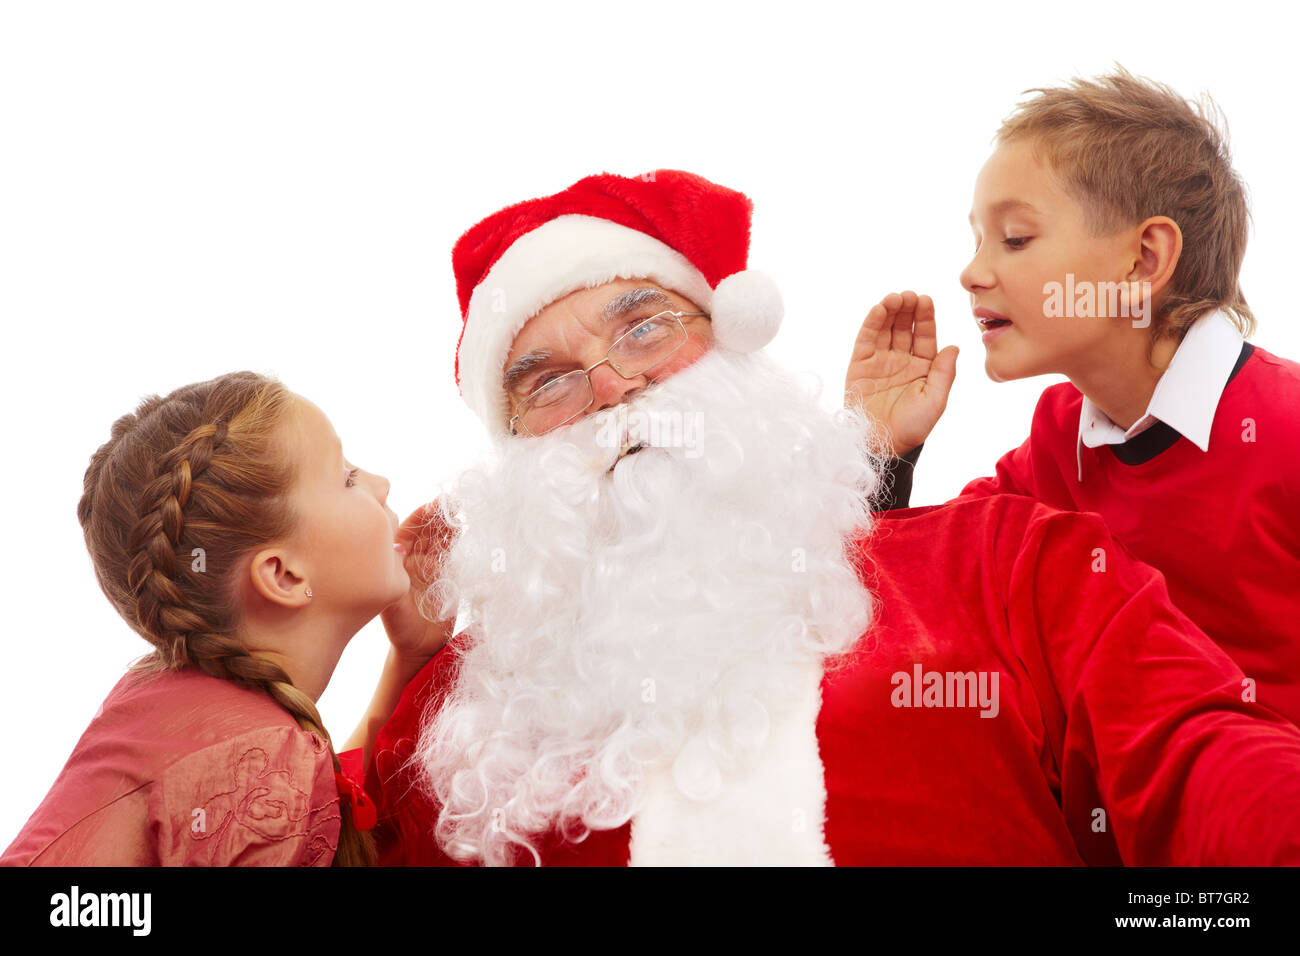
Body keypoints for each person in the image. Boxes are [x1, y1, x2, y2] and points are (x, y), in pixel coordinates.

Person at [346, 169, 1300, 866]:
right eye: (545, 381)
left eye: (644, 327)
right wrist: (399, 675)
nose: (609, 387)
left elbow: (1197, 760)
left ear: (732, 345)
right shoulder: (455, 721)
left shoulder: (1000, 560)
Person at [848, 68, 1300, 726]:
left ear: (1144, 261)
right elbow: (915, 591)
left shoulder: (1284, 429)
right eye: (977, 240)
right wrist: (882, 453)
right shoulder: (1059, 441)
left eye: (1016, 239)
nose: (972, 273)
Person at [1, 372, 450, 866]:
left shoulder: (173, 702)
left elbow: (329, 806)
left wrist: (410, 659)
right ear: (281, 574)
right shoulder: (263, 760)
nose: (382, 484)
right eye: (347, 478)